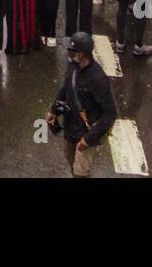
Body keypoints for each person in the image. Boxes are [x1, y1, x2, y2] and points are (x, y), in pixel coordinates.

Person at [46, 32, 117, 178]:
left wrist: (88, 139)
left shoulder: (98, 79)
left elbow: (110, 114)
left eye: (72, 51)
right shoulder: (73, 65)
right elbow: (66, 88)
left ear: (82, 54)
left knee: (81, 173)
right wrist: (53, 110)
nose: (68, 53)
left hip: (85, 134)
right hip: (70, 129)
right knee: (72, 164)